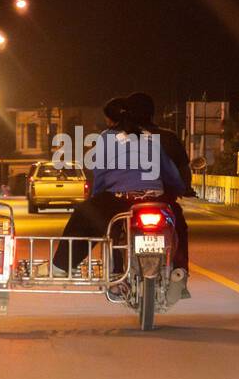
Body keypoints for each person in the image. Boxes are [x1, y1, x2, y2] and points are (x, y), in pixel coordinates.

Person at [50, 97, 185, 282]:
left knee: (84, 213)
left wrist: (96, 197)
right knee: (178, 225)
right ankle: (179, 270)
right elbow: (169, 170)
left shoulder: (108, 137)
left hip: (122, 199)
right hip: (155, 198)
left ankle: (62, 266)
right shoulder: (149, 137)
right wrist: (179, 189)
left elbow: (101, 173)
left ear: (111, 120)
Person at [124, 92, 192, 286]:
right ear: (153, 114)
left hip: (129, 202)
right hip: (164, 201)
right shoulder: (169, 137)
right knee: (179, 227)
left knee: (115, 230)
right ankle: (180, 271)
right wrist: (185, 188)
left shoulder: (120, 139)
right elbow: (184, 172)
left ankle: (115, 273)